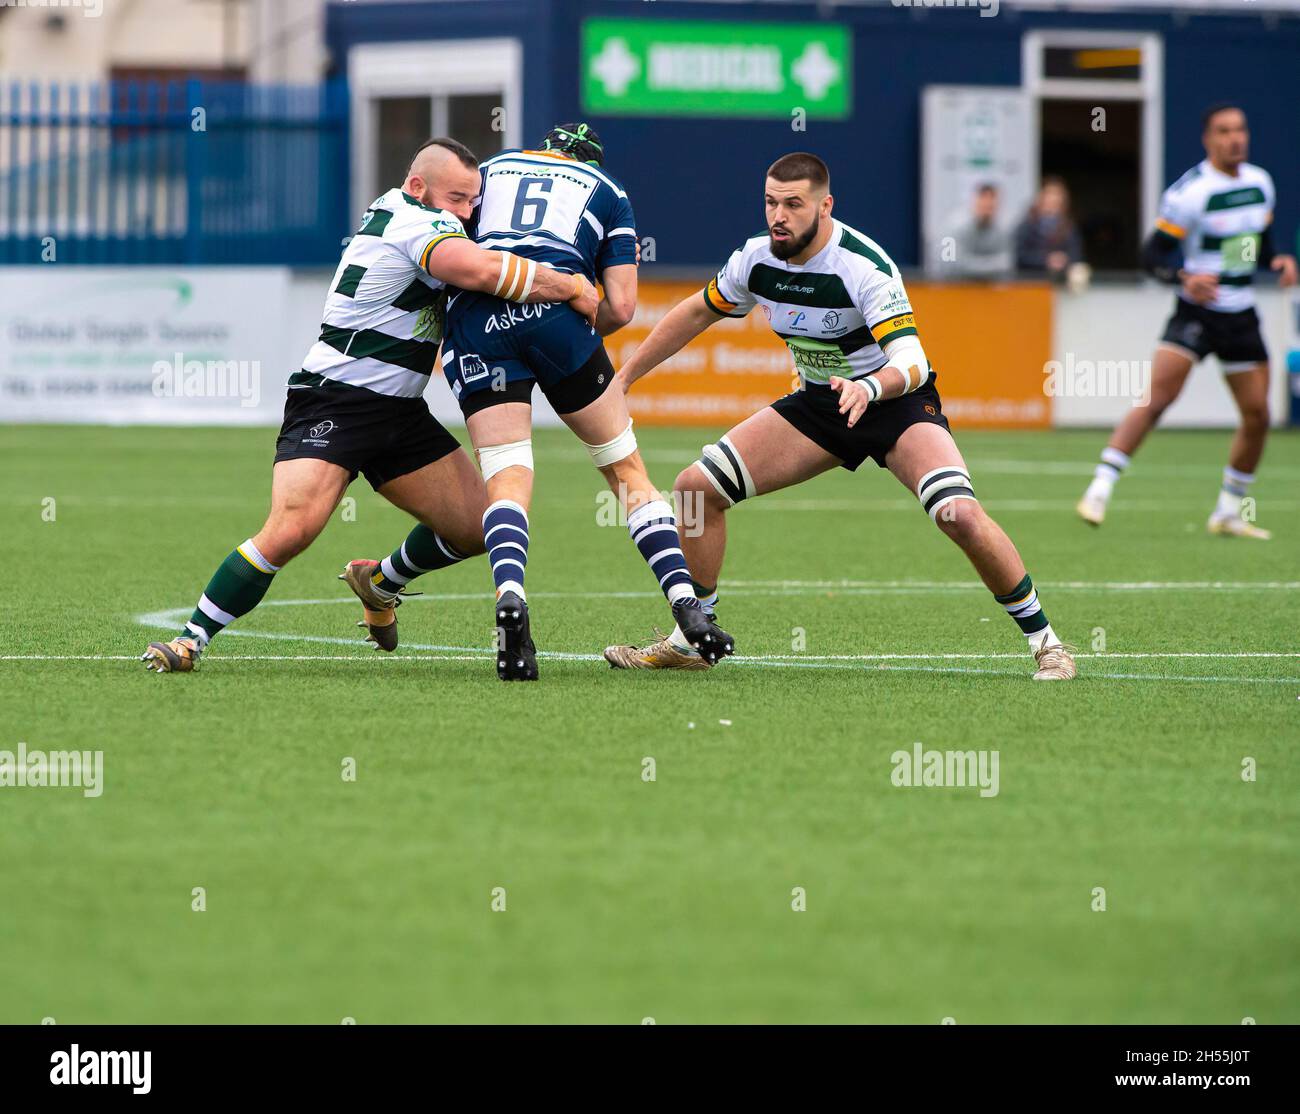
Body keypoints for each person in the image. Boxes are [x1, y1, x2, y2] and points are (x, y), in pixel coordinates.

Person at [602, 152, 1076, 681]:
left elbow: (913, 362)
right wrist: (624, 380)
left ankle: (1048, 643)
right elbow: (695, 312)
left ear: (825, 206)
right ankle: (691, 637)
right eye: (770, 203)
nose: (778, 216)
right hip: (820, 406)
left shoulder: (861, 265)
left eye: (793, 205)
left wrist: (870, 387)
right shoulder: (757, 258)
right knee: (695, 489)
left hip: (893, 406)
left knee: (957, 514)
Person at [141, 137, 597, 672]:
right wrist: (570, 285)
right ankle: (190, 640)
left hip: (398, 414)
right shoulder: (415, 221)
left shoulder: (420, 214)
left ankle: (379, 581)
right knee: (293, 528)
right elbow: (480, 272)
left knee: (479, 528)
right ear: (417, 186)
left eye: (474, 200)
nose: (468, 212)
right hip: (335, 399)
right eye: (457, 198)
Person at [347, 123, 733, 681]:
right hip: (560, 311)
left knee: (506, 478)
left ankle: (510, 594)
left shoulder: (490, 170)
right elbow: (621, 309)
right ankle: (684, 601)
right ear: (590, 160)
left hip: (480, 317)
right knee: (627, 472)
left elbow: (453, 245)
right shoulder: (610, 191)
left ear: (544, 149)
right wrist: (576, 327)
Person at [1077, 103, 1297, 536]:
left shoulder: (1260, 183)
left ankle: (1229, 511)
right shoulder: (1189, 193)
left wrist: (1278, 260)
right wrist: (1185, 277)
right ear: (1207, 139)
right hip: (1196, 313)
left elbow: (1256, 242)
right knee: (1157, 399)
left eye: (1240, 129)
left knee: (1257, 415)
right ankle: (1099, 489)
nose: (1234, 138)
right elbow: (1150, 256)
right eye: (1224, 131)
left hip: (1241, 314)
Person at [1014, 177, 1083, 279]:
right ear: (1042, 197)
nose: (1053, 199)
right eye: (1050, 194)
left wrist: (1064, 259)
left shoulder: (1069, 227)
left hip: (1060, 283)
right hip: (1031, 282)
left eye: (1057, 195)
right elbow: (1019, 255)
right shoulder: (1028, 224)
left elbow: (1076, 255)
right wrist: (1045, 260)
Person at [948, 183, 1013, 279]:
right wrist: (992, 265)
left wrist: (971, 263)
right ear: (974, 201)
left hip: (988, 289)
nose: (988, 203)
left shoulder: (1002, 229)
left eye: (992, 199)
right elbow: (950, 264)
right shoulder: (953, 226)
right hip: (953, 288)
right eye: (983, 198)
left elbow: (1007, 262)